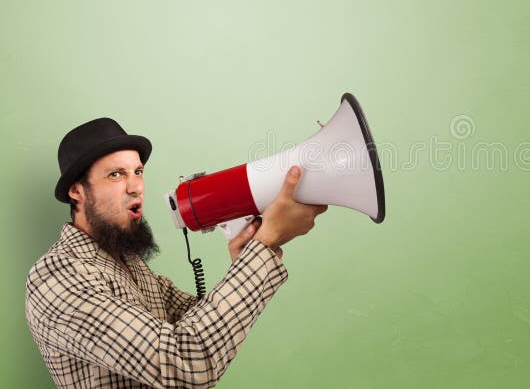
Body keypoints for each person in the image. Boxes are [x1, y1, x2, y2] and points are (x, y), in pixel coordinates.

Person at [25, 117, 327, 388]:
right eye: (116, 175)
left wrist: (248, 259)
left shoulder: (129, 263)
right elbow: (186, 363)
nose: (135, 187)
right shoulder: (57, 277)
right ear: (76, 191)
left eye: (138, 172)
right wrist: (265, 242)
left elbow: (198, 323)